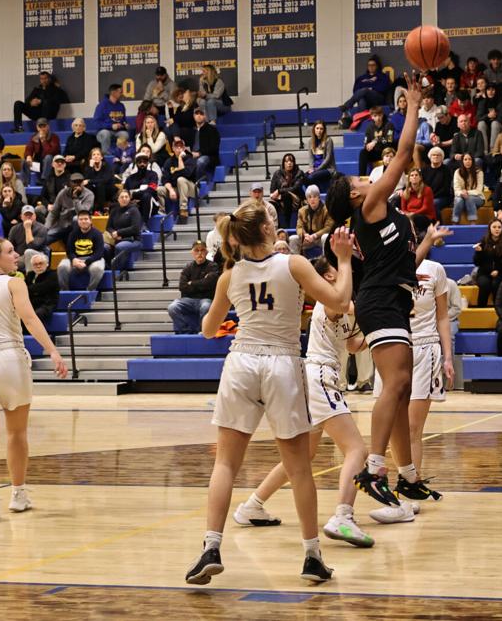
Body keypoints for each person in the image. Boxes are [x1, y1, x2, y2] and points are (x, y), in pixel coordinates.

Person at [184, 201, 355, 586]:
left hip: (242, 361)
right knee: (298, 467)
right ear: (263, 231)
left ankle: (211, 547)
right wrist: (343, 261)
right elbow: (341, 301)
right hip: (282, 362)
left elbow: (209, 331)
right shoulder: (293, 264)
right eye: (272, 221)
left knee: (225, 464)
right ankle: (312, 556)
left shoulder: (229, 274)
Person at [323, 75, 438, 511]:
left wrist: (411, 276)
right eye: (359, 179)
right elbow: (406, 154)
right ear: (354, 194)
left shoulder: (380, 215)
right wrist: (413, 106)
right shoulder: (369, 208)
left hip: (393, 298)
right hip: (379, 302)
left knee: (403, 389)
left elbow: (393, 258)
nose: (368, 180)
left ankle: (408, 476)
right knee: (396, 384)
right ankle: (374, 468)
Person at [232, 256, 376, 543]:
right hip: (319, 376)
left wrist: (375, 336)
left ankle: (251, 506)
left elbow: (351, 344)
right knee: (356, 450)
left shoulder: (340, 306)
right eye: (335, 269)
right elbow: (347, 304)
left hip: (312, 378)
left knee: (300, 456)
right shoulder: (333, 302)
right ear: (327, 277)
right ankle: (343, 517)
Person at [0, 238, 67, 521]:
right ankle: (18, 495)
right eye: (10, 252)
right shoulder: (13, 283)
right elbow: (31, 320)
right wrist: (53, 351)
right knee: (16, 433)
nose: (16, 255)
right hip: (8, 357)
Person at [369, 240, 456, 522]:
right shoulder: (385, 267)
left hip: (425, 347)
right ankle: (395, 487)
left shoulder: (435, 270)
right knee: (392, 425)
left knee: (412, 427)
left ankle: (407, 490)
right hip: (394, 345)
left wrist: (447, 356)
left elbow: (443, 317)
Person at [167, 241, 220, 334]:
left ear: (206, 252)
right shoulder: (188, 267)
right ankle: (185, 331)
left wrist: (192, 283)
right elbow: (182, 287)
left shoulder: (212, 266)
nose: (199, 253)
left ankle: (202, 331)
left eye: (202, 250)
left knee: (206, 306)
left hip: (206, 299)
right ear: (192, 252)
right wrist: (202, 282)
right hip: (188, 300)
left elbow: (210, 284)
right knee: (172, 307)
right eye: (196, 250)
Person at [58, 211, 105, 291]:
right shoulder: (72, 234)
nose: (83, 221)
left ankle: (90, 291)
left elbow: (99, 253)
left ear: (90, 220)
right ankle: (65, 291)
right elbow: (69, 251)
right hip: (76, 259)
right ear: (78, 221)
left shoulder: (97, 234)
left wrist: (86, 262)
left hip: (92, 259)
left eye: (86, 219)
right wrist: (73, 259)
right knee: (62, 267)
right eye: (81, 219)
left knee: (97, 268)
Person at [340, 56, 392, 120]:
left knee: (365, 90)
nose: (371, 67)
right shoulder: (361, 78)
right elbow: (355, 90)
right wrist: (367, 90)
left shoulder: (383, 76)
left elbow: (383, 88)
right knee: (361, 99)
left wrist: (371, 89)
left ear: (377, 66)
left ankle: (347, 106)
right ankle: (362, 120)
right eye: (369, 65)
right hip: (365, 99)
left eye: (373, 65)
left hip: (378, 98)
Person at [473, 218, 502, 307]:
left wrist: (498, 270)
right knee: (484, 284)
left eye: (499, 227)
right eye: (494, 227)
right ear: (490, 229)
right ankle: (480, 309)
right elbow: (477, 263)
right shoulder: (483, 242)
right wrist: (479, 252)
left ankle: (498, 309)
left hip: (500, 273)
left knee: (496, 284)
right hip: (484, 273)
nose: (497, 229)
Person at [160, 141, 197, 224]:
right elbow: (165, 179)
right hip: (176, 189)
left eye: (181, 147)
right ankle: (161, 213)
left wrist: (180, 159)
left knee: (180, 179)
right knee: (159, 189)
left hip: (192, 189)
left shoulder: (190, 159)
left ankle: (183, 209)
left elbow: (186, 174)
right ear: (173, 149)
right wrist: (171, 190)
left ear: (184, 148)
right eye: (177, 147)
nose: (179, 149)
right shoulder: (169, 162)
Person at [268, 154, 306, 229]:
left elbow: (295, 188)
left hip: (296, 198)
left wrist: (279, 191)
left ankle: (287, 226)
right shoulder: (277, 173)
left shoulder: (299, 173)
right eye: (287, 161)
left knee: (286, 196)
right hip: (280, 198)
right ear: (283, 163)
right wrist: (276, 195)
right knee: (271, 204)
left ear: (294, 162)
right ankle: (275, 228)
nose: (289, 163)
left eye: (291, 161)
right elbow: (272, 190)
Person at [8, 205, 48, 272]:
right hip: (20, 257)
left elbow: (32, 246)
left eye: (31, 215)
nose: (28, 217)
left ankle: (30, 278)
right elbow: (10, 247)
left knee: (28, 252)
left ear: (35, 216)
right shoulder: (14, 229)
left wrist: (27, 228)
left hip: (39, 256)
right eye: (26, 215)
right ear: (21, 217)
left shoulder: (42, 228)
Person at [186, 107, 221, 179]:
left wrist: (199, 153)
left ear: (205, 116)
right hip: (192, 154)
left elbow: (214, 148)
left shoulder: (212, 130)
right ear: (193, 116)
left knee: (201, 161)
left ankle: (199, 183)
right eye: (197, 114)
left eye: (201, 114)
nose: (199, 116)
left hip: (208, 156)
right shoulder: (191, 130)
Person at [358, 106, 396, 173]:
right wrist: (367, 146)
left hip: (386, 152)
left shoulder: (389, 125)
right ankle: (362, 175)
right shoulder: (369, 127)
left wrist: (375, 141)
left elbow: (389, 141)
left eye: (379, 115)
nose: (378, 118)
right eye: (375, 116)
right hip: (375, 153)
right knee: (363, 153)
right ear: (372, 117)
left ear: (382, 115)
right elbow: (366, 142)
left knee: (388, 151)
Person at [22, 118, 60, 183]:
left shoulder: (54, 137)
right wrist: (28, 156)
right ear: (37, 128)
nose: (42, 128)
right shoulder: (34, 137)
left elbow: (52, 151)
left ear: (48, 126)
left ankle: (44, 180)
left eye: (44, 126)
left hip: (50, 164)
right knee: (24, 161)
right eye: (40, 126)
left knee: (48, 157)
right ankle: (25, 182)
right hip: (38, 164)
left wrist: (43, 141)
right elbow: (29, 148)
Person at [25, 252, 58, 326]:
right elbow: (24, 289)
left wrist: (30, 289)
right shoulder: (30, 275)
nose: (38, 266)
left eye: (41, 263)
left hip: (47, 304)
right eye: (35, 264)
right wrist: (32, 289)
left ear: (47, 264)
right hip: (32, 303)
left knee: (37, 314)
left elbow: (43, 287)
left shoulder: (53, 274)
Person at [451, 152, 485, 224]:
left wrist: (466, 192)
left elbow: (479, 190)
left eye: (470, 159)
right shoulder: (457, 172)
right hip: (461, 196)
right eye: (465, 159)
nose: (467, 161)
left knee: (469, 198)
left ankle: (472, 222)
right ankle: (455, 221)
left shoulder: (479, 172)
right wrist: (461, 193)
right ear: (462, 161)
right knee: (459, 200)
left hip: (478, 198)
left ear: (473, 161)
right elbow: (456, 189)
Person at [94, 84, 129, 150]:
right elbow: (96, 123)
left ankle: (121, 155)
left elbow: (123, 120)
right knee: (105, 133)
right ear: (113, 92)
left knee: (125, 134)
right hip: (103, 132)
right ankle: (105, 154)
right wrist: (111, 126)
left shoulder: (121, 106)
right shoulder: (102, 105)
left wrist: (125, 124)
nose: (122, 94)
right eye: (120, 92)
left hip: (118, 131)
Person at [400, 168, 435, 235]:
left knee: (416, 218)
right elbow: (403, 209)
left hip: (425, 216)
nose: (414, 177)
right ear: (409, 179)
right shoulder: (406, 192)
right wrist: (408, 215)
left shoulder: (427, 190)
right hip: (410, 217)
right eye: (412, 175)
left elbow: (425, 207)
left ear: (420, 178)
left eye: (416, 175)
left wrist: (413, 214)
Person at [83, 147, 116, 214]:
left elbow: (105, 180)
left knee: (100, 185)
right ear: (91, 158)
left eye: (98, 154)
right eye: (94, 155)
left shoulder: (107, 166)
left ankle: (102, 210)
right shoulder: (89, 167)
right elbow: (85, 180)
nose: (96, 156)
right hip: (94, 191)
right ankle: (90, 210)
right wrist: (90, 167)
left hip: (108, 190)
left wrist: (90, 181)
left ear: (101, 157)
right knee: (89, 187)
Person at [304, 122, 336, 187]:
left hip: (327, 169)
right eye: (317, 128)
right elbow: (311, 158)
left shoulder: (328, 140)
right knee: (302, 178)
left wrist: (316, 169)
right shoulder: (310, 141)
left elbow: (328, 158)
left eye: (321, 129)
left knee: (311, 177)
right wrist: (311, 168)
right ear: (314, 129)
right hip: (315, 168)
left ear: (324, 130)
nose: (319, 131)